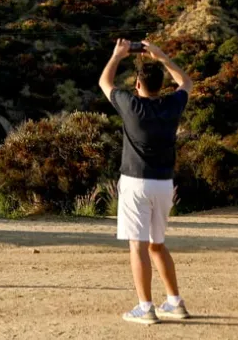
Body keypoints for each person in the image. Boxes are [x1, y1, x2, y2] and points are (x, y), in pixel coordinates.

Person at [98, 39, 192, 325]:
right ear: (161, 85)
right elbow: (186, 81)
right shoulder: (171, 105)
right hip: (164, 184)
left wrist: (117, 55)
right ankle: (175, 302)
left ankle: (146, 306)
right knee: (157, 244)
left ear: (138, 84)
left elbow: (105, 82)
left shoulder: (131, 105)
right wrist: (162, 56)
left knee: (137, 246)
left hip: (136, 182)